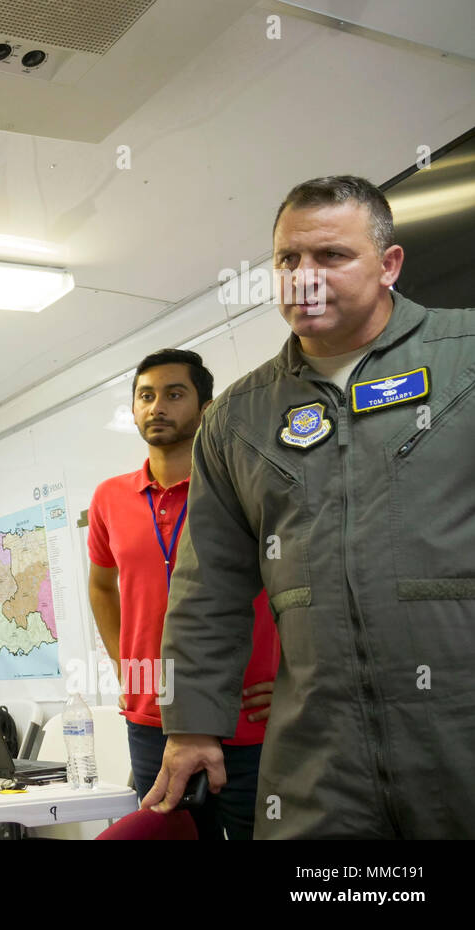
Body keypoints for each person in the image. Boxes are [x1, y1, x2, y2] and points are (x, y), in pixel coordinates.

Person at [145, 175, 475, 839]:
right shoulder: (238, 418)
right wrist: (192, 726)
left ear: (389, 266)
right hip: (320, 752)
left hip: (458, 724)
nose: (303, 278)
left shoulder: (464, 359)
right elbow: (207, 586)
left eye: (331, 256)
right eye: (287, 260)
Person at [87, 349, 279, 840]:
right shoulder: (109, 497)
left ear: (207, 406)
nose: (157, 407)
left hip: (246, 710)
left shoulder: (241, 486)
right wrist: (122, 662)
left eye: (175, 394)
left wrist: (296, 673)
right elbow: (102, 585)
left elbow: (297, 581)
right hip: (152, 714)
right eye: (146, 396)